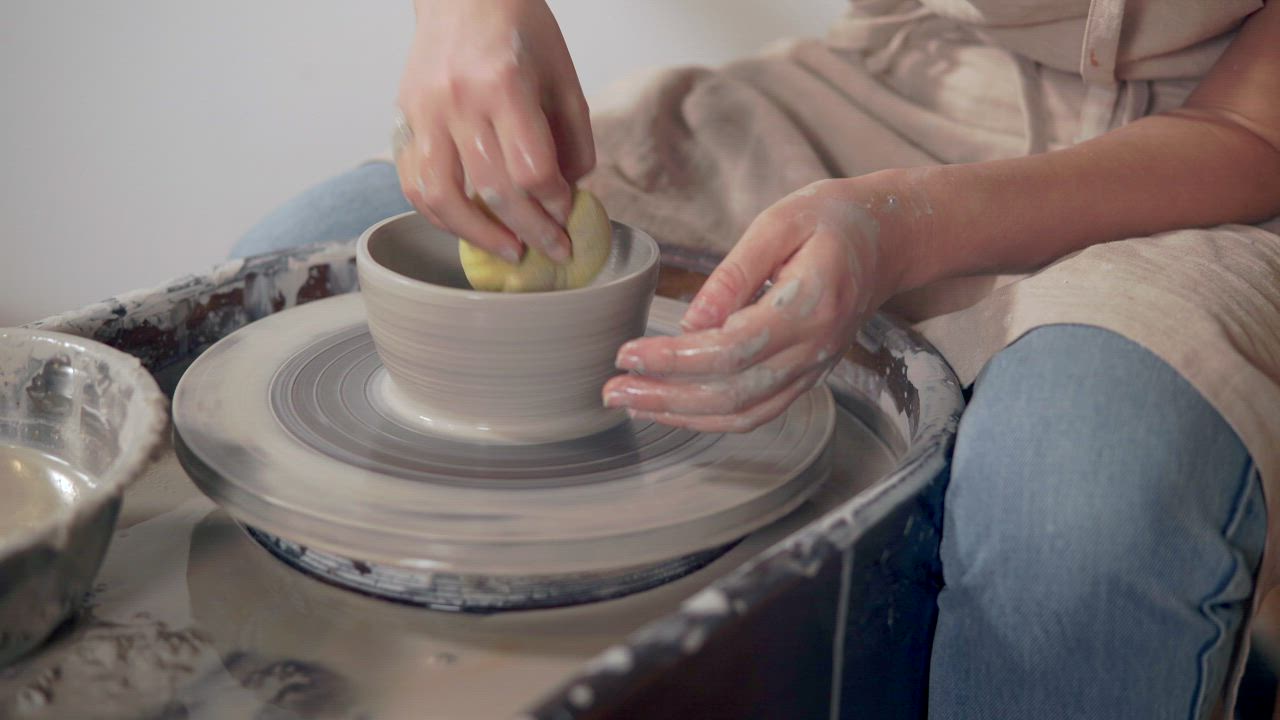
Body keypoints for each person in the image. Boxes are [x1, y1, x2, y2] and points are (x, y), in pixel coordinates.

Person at [233, 0, 1280, 716]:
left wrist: (902, 224)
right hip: (905, 82)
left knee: (1079, 503)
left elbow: (1245, 132)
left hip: (1213, 159)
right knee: (290, 272)